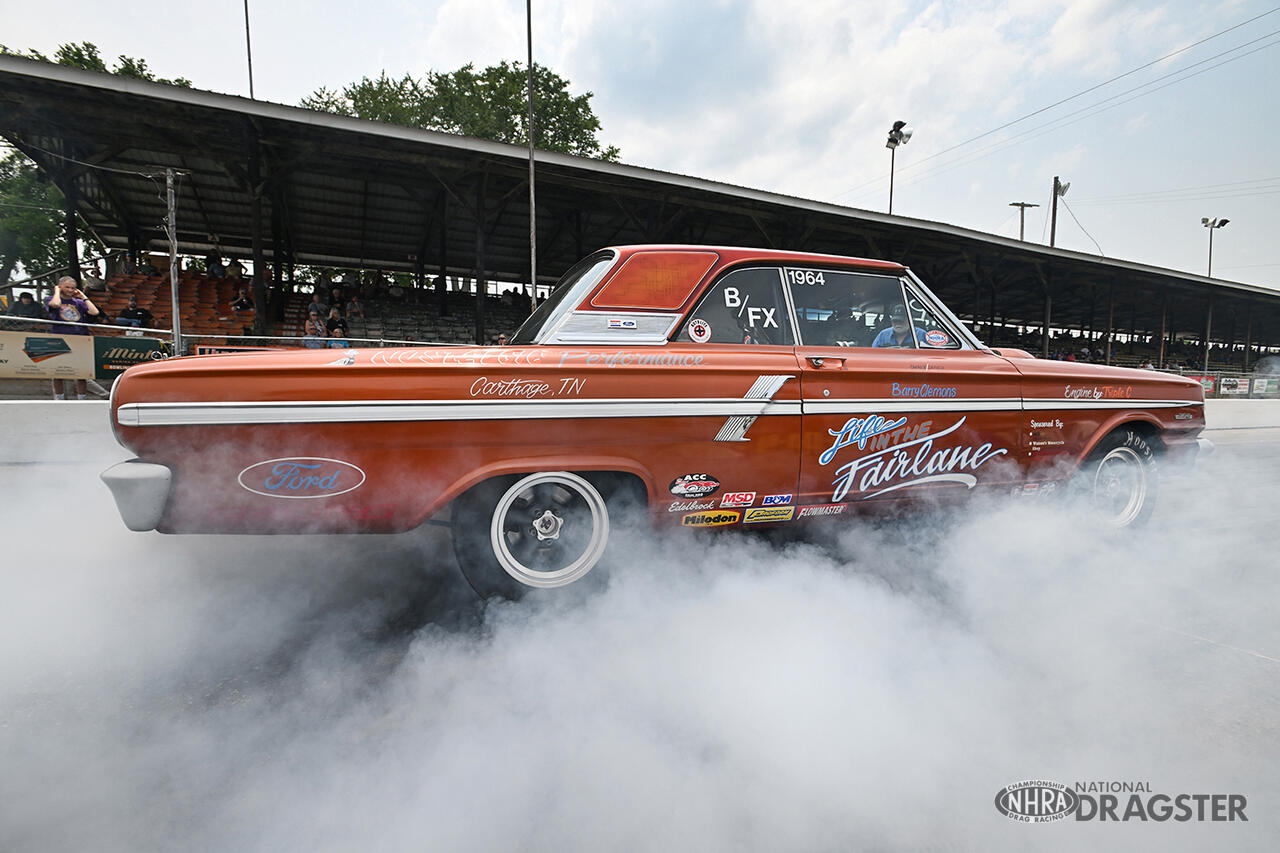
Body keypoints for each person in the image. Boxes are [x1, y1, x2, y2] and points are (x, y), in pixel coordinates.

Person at [45, 275, 99, 400]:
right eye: (67, 287)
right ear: (60, 287)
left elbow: (94, 312)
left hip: (80, 338)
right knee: (58, 371)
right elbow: (55, 304)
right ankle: (59, 398)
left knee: (81, 372)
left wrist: (83, 296)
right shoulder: (51, 299)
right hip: (60, 338)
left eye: (73, 288)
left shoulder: (78, 303)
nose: (70, 290)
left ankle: (81, 398)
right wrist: (57, 291)